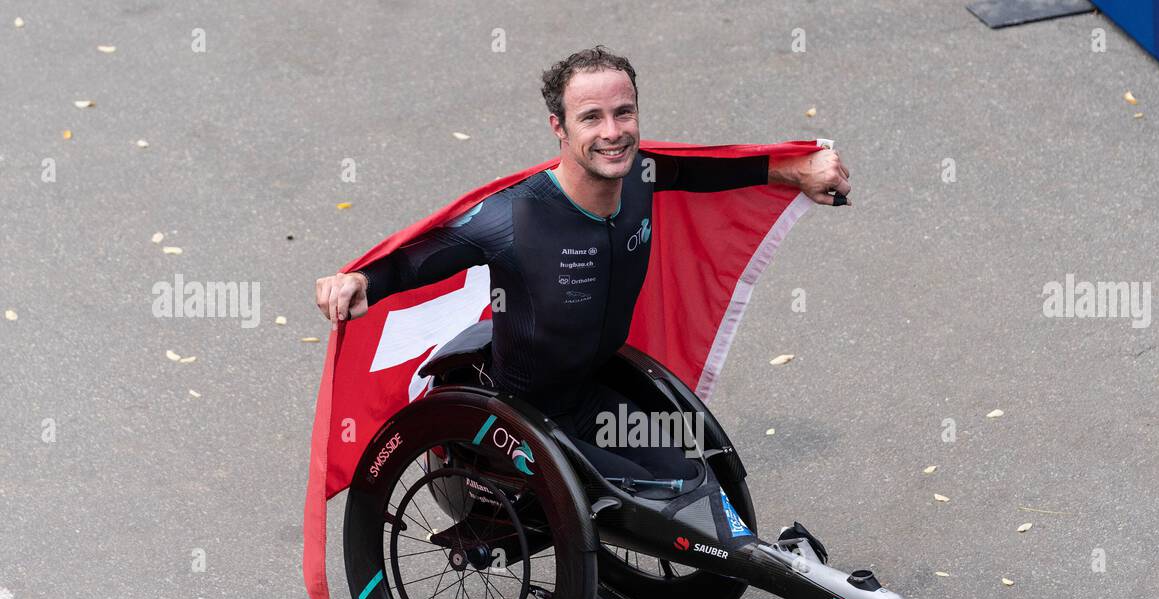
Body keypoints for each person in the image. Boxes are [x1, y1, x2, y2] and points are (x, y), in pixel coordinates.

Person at [314, 46, 850, 481]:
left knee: (688, 473)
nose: (613, 132)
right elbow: (416, 264)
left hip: (592, 395)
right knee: (643, 494)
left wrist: (795, 171)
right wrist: (360, 281)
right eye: (591, 117)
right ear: (560, 128)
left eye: (624, 112)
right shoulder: (514, 217)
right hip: (523, 417)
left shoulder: (641, 174)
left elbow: (704, 172)